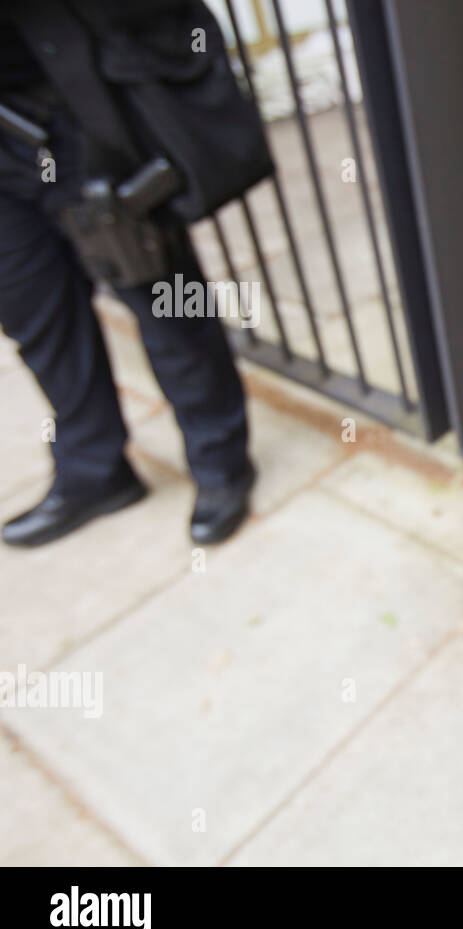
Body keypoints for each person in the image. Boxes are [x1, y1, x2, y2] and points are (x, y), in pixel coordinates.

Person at [0, 0, 266, 548]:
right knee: (37, 318)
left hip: (83, 111)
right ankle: (95, 473)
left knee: (167, 303)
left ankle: (221, 463)